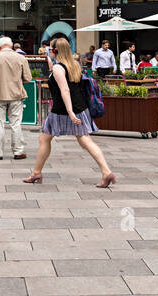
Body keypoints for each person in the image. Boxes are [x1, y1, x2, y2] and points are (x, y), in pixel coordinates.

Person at [22, 34, 115, 189]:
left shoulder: (58, 67)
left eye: (51, 49)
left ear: (55, 50)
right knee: (83, 140)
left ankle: (36, 173)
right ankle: (106, 172)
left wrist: (71, 112)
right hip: (80, 107)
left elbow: (65, 90)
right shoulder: (75, 65)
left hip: (63, 110)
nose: (49, 51)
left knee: (46, 139)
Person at [0, 35, 32, 161]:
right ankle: (18, 151)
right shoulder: (21, 58)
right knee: (16, 124)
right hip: (16, 95)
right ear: (11, 45)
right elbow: (28, 78)